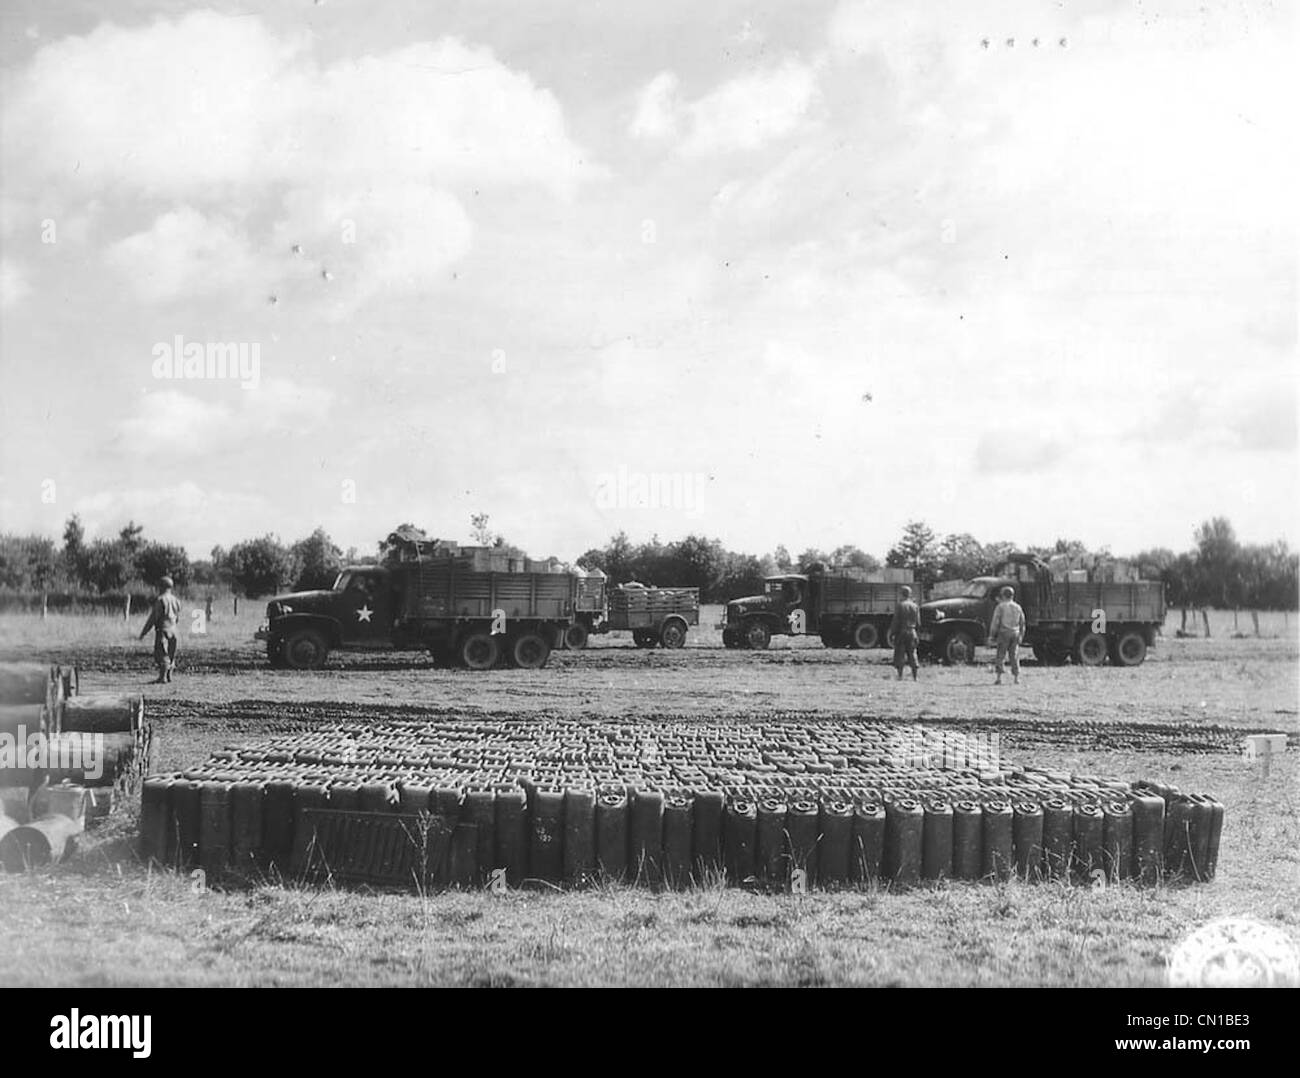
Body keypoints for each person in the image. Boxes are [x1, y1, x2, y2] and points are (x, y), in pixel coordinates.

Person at [140, 576, 182, 683]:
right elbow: (177, 618)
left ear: (161, 587)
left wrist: (144, 632)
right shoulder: (176, 600)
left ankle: (162, 677)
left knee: (161, 653)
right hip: (174, 630)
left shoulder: (160, 600)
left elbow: (154, 618)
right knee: (171, 653)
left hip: (163, 629)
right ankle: (169, 676)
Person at [988, 585, 1026, 685]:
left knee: (1000, 655)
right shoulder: (1018, 607)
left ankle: (999, 678)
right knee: (1014, 655)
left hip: (1004, 632)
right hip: (1015, 633)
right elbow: (1022, 623)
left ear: (1003, 595)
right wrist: (1021, 635)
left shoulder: (1000, 607)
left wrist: (992, 635)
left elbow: (995, 622)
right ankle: (1016, 678)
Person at [889, 585, 921, 681]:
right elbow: (918, 622)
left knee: (900, 653)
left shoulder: (900, 605)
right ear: (910, 594)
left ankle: (900, 676)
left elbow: (896, 621)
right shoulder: (915, 606)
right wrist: (917, 633)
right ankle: (915, 677)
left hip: (902, 632)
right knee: (912, 653)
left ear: (901, 594)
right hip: (912, 631)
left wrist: (892, 633)